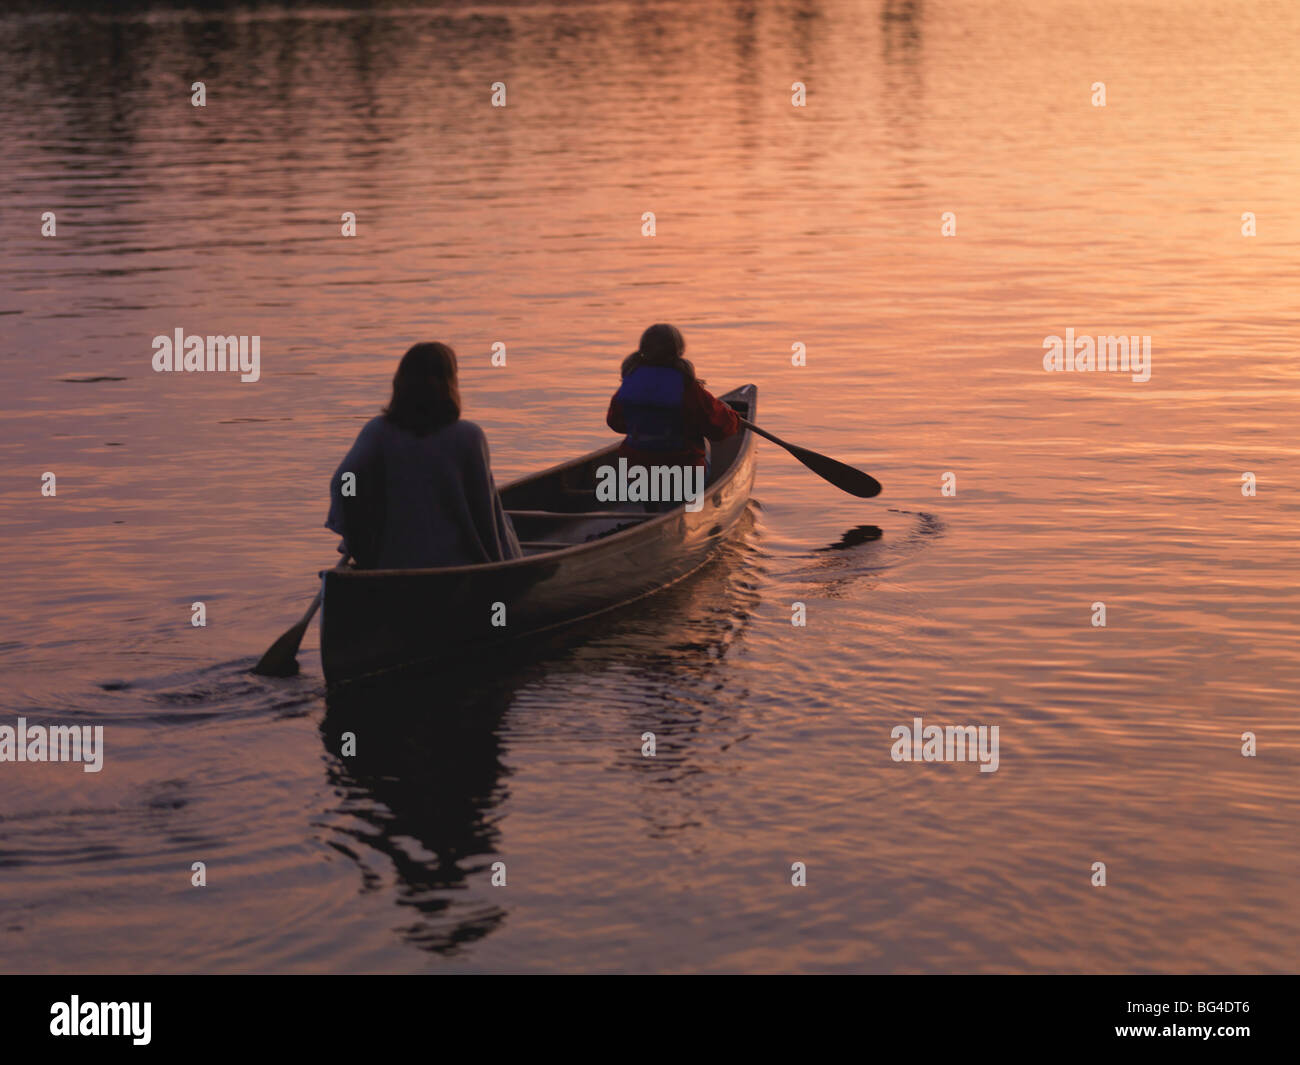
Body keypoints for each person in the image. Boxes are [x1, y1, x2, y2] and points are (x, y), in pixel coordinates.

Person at [326, 342, 522, 569]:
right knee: (505, 522)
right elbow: (486, 518)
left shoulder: (378, 431)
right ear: (450, 384)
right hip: (457, 564)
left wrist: (359, 543)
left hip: (392, 563)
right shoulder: (469, 436)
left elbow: (343, 483)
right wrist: (499, 566)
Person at [606, 323, 741, 480]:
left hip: (636, 476)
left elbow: (615, 423)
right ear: (679, 350)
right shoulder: (688, 388)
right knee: (706, 443)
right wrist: (734, 419)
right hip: (682, 475)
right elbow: (719, 429)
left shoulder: (629, 384)